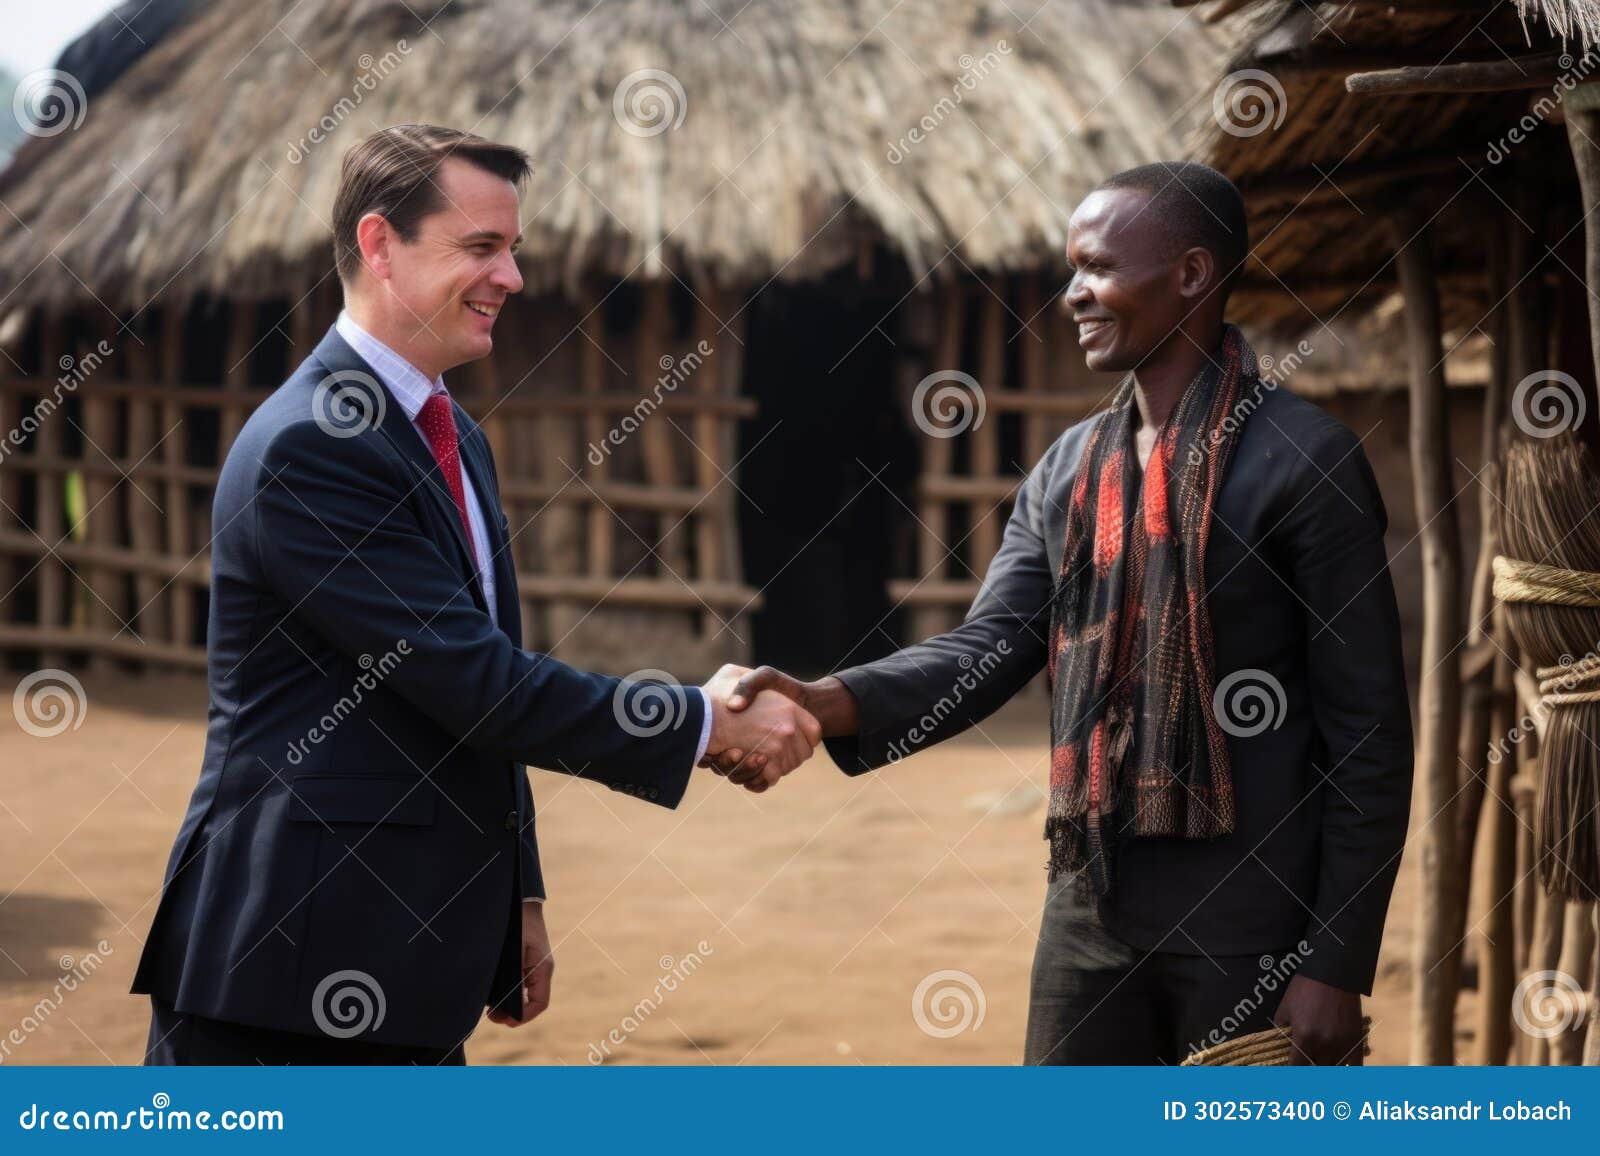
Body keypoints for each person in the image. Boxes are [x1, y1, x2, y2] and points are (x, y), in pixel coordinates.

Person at [132, 125, 820, 1065]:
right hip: (288, 969)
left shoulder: (447, 430)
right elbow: (477, 682)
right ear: (379, 246)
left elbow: (469, 694)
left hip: (404, 958)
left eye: (515, 249)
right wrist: (702, 720)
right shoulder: (313, 447)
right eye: (481, 248)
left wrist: (516, 896)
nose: (514, 278)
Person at [710, 162, 1414, 1065]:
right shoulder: (1072, 467)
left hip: (1253, 924)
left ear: (1193, 275)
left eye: (1098, 268)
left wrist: (1336, 959)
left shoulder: (1306, 463)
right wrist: (823, 698)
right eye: (1071, 268)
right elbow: (993, 646)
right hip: (1089, 911)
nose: (1073, 294)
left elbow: (1370, 735)